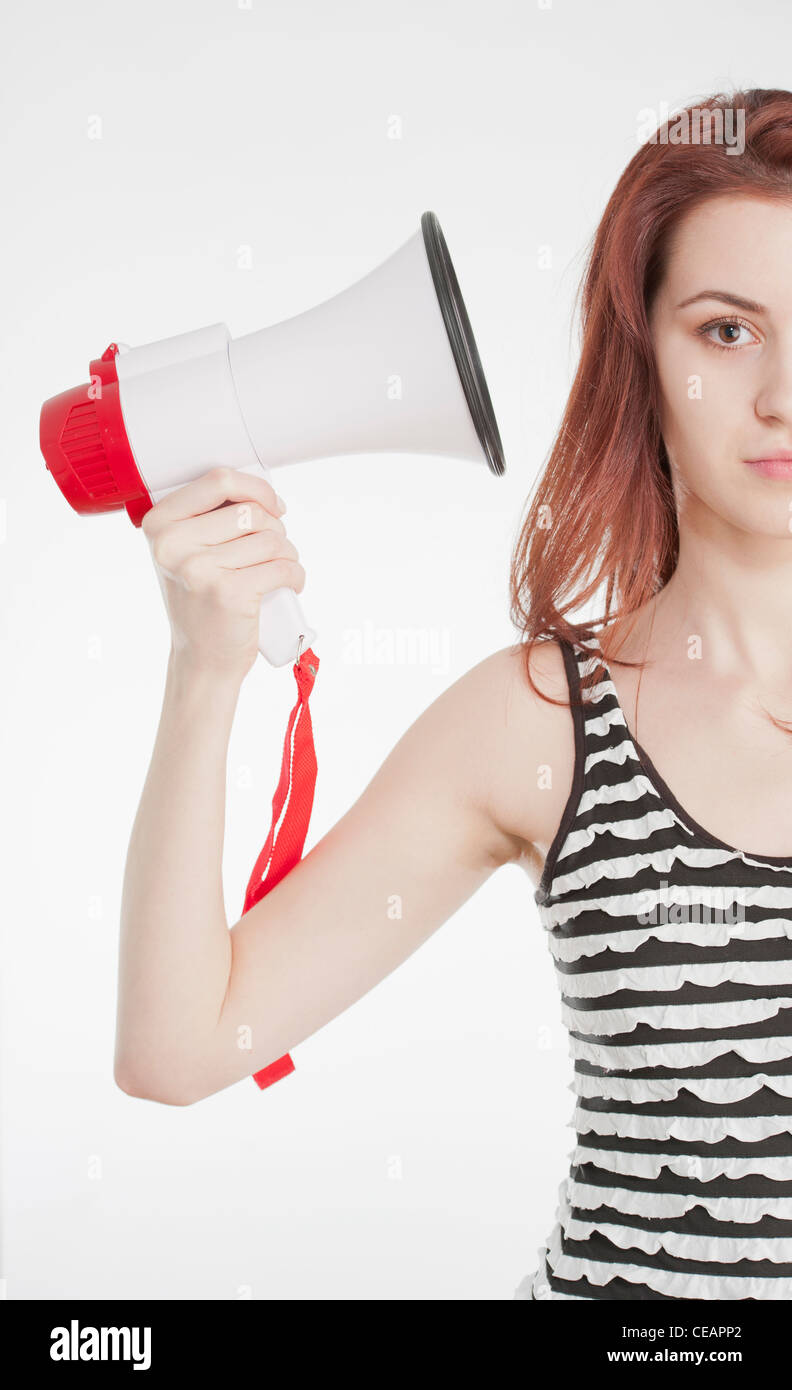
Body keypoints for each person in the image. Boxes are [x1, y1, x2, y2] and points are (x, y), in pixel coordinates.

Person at [115, 87, 792, 1301]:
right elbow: (179, 1047)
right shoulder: (540, 721)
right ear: (644, 354)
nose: (784, 394)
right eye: (727, 331)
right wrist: (205, 668)